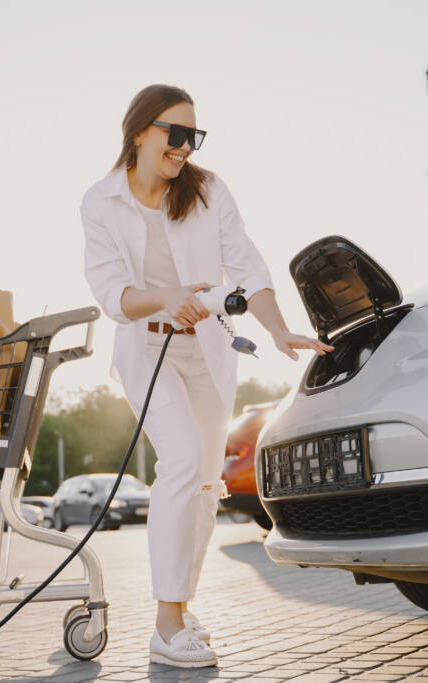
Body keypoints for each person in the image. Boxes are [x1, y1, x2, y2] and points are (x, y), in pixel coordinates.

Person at [82, 84, 332, 667]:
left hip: (209, 351)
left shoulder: (209, 191)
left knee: (202, 484)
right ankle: (167, 625)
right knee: (182, 460)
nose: (185, 147)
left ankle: (181, 606)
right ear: (141, 130)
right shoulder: (101, 202)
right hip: (146, 351)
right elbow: (110, 293)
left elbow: (247, 265)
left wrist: (275, 328)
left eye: (194, 136)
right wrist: (166, 297)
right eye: (175, 133)